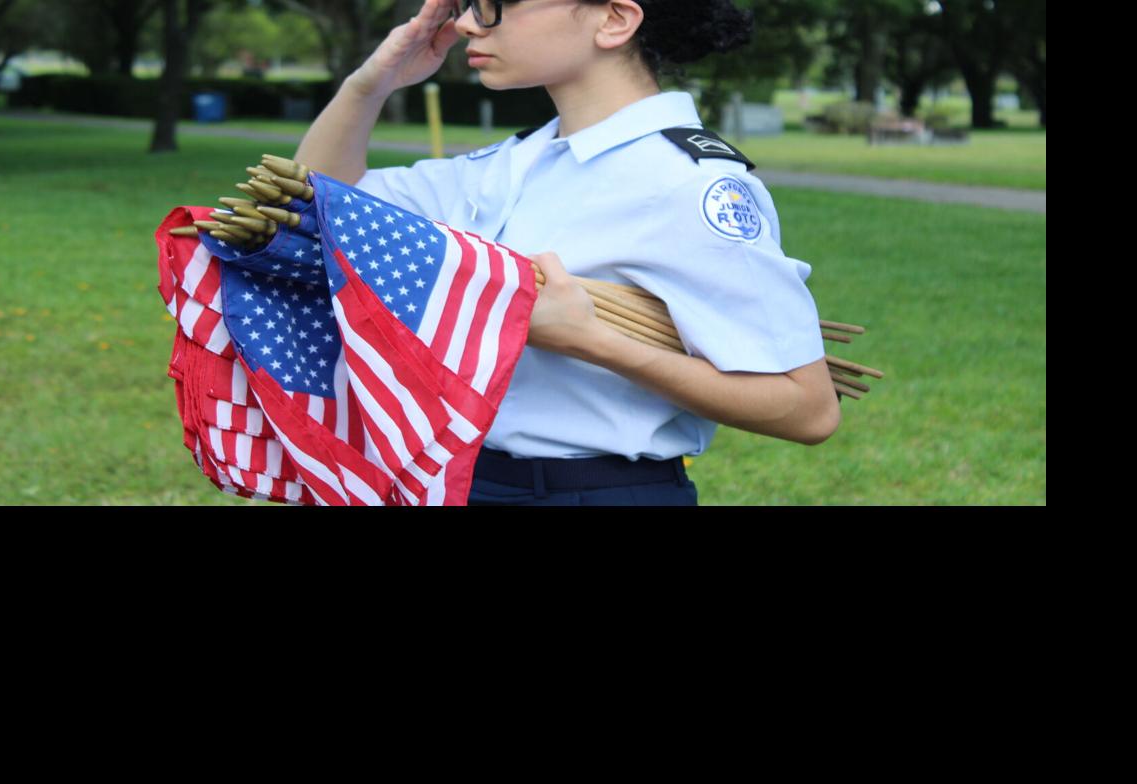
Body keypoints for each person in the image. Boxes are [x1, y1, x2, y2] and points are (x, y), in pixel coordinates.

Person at [293, 0, 839, 505]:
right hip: (467, 482)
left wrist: (592, 341)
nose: (465, 24)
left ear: (614, 20)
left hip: (597, 490)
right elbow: (316, 201)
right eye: (468, 5)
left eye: (497, 4)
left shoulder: (687, 183)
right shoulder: (513, 162)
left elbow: (808, 409)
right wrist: (372, 82)